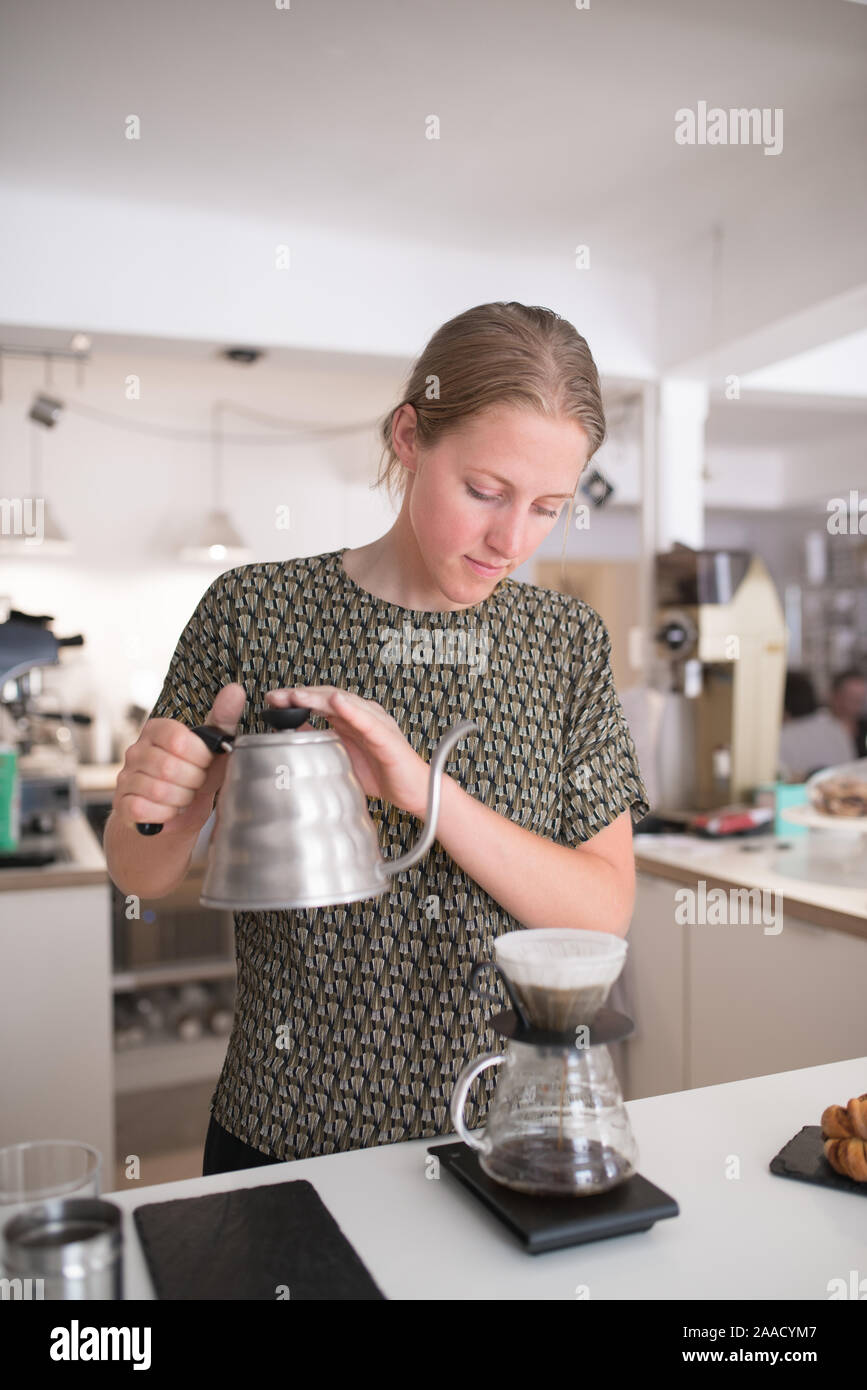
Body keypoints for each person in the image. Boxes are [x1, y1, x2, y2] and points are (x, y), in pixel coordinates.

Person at [104, 301, 650, 1177]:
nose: (511, 540)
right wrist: (160, 795)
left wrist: (417, 788)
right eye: (484, 491)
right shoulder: (254, 611)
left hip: (505, 1131)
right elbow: (142, 870)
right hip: (281, 1131)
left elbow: (598, 915)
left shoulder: (565, 643)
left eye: (548, 507)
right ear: (408, 436)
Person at [778, 668, 864, 781]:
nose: (857, 705)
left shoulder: (780, 737)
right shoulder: (838, 731)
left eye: (860, 699)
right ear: (833, 696)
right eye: (851, 698)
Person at [828, 668, 867, 761]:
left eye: (862, 696)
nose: (859, 701)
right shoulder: (823, 729)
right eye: (852, 696)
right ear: (835, 697)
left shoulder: (864, 726)